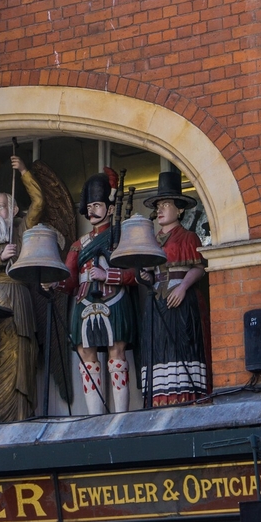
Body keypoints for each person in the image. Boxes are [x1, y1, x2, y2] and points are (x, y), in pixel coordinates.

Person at [0, 156, 44, 422]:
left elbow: (39, 203)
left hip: (15, 304)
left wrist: (24, 172)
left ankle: (17, 416)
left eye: (0, 208)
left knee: (16, 361)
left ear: (12, 210)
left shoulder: (22, 230)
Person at [62, 171, 136, 414]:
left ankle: (121, 414)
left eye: (97, 205)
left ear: (110, 208)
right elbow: (70, 279)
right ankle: (95, 416)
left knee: (117, 350)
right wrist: (53, 283)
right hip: (84, 299)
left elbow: (136, 274)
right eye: (89, 206)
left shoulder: (122, 237)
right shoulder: (78, 244)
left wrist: (108, 276)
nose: (92, 211)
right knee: (85, 352)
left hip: (115, 298)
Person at [139, 169, 208, 406]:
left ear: (179, 210)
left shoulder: (188, 238)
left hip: (181, 300)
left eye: (166, 204)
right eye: (158, 205)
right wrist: (145, 276)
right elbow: (149, 274)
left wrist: (183, 287)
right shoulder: (151, 240)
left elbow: (198, 267)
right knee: (159, 347)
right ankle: (160, 399)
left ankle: (185, 396)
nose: (160, 209)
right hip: (157, 301)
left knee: (182, 346)